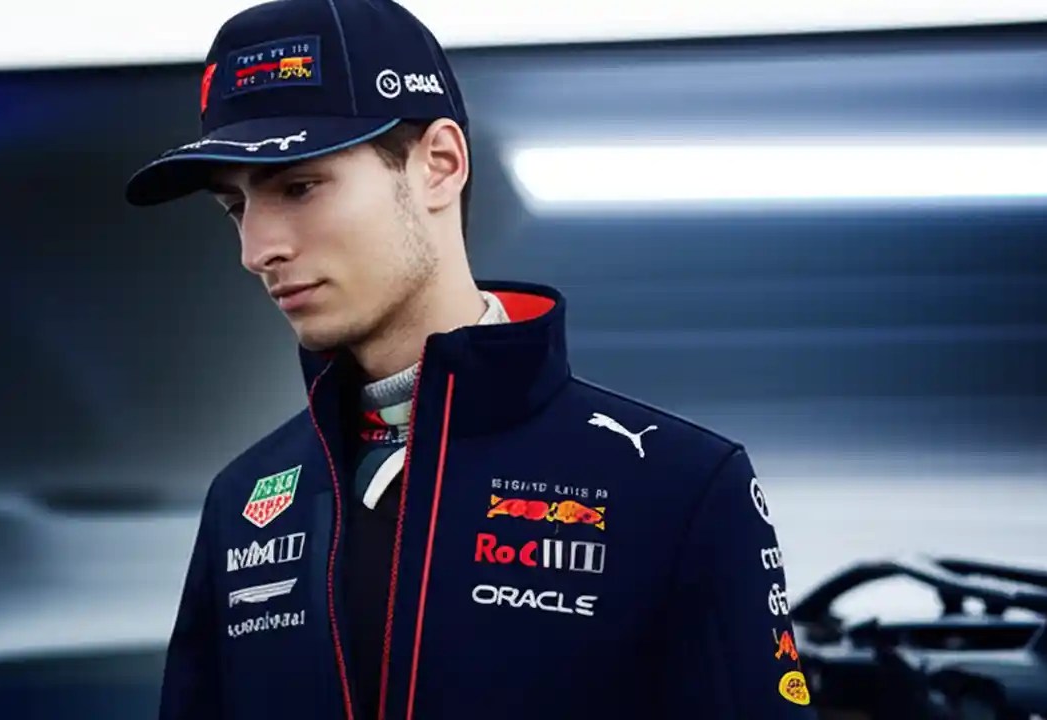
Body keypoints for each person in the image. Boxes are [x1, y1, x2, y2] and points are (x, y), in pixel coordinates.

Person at [125, 1, 817, 718]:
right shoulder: (245, 502)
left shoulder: (679, 485)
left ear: (440, 165)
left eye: (299, 187)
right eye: (234, 207)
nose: (256, 249)